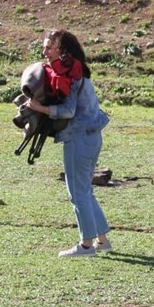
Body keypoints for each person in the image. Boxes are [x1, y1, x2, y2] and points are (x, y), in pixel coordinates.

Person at [24, 29, 112, 257]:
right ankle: (102, 240)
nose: (44, 51)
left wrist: (39, 108)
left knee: (77, 193)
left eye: (49, 47)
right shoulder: (77, 72)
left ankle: (85, 245)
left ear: (61, 51)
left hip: (79, 138)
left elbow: (68, 111)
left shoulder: (69, 77)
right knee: (85, 190)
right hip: (92, 136)